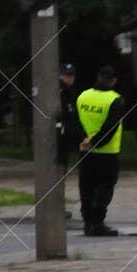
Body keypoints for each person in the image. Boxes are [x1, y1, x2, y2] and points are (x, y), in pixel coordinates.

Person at [76, 65, 127, 236]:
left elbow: (76, 121)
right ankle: (97, 222)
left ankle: (87, 221)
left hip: (85, 151)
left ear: (98, 78)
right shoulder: (115, 99)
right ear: (113, 81)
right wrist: (96, 142)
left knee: (86, 186)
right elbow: (110, 127)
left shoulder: (83, 96)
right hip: (107, 152)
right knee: (105, 187)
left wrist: (84, 139)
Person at [56, 63, 80, 219]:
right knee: (58, 174)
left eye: (71, 75)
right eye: (67, 75)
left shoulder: (69, 91)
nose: (70, 78)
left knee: (61, 173)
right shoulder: (60, 91)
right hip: (59, 137)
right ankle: (57, 207)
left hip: (65, 137)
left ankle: (59, 206)